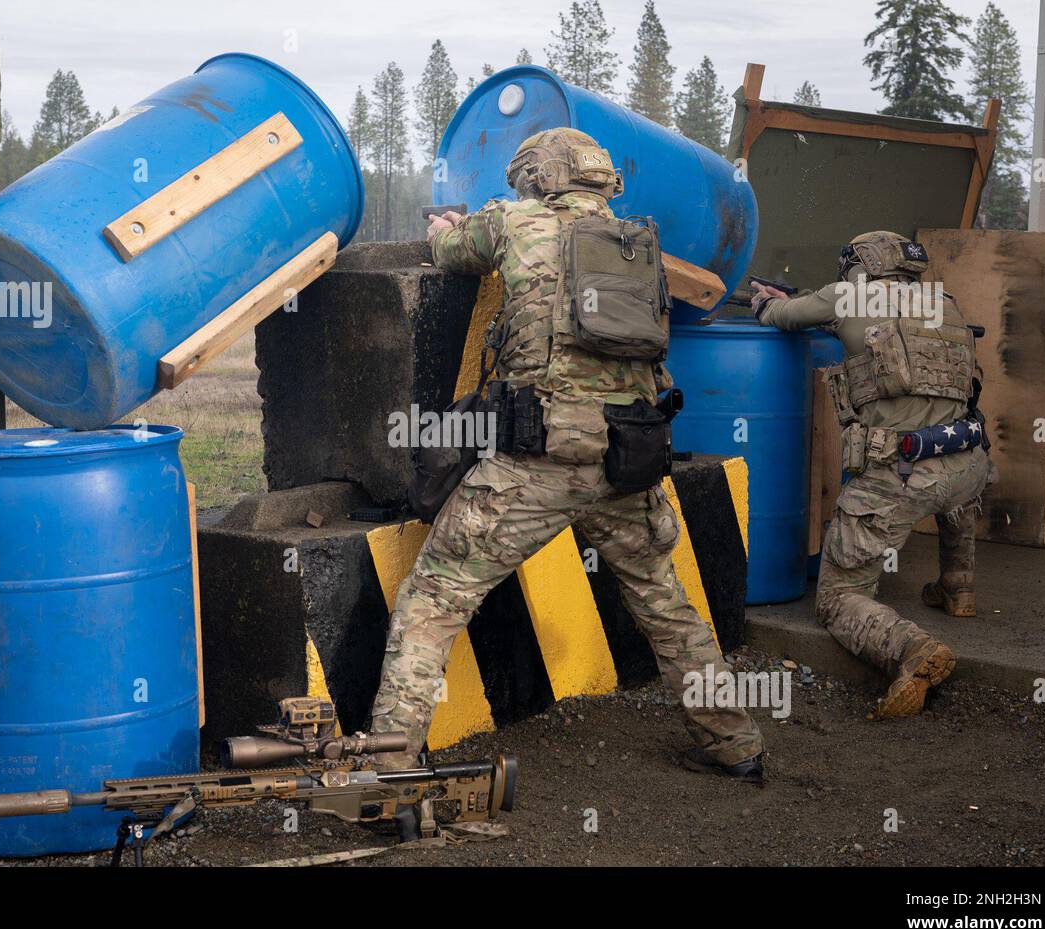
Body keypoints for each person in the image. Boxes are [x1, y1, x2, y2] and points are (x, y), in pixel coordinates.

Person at [368, 128, 765, 782]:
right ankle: (733, 739)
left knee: (434, 598)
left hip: (539, 460)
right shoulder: (636, 240)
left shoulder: (511, 220)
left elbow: (451, 251)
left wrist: (445, 225)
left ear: (537, 176)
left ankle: (389, 774)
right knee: (665, 604)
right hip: (629, 456)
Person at [753, 232, 995, 718]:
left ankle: (911, 651)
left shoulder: (845, 295)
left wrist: (766, 301)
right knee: (954, 492)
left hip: (900, 476)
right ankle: (958, 585)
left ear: (857, 265)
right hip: (970, 463)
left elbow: (779, 318)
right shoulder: (942, 302)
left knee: (840, 596)